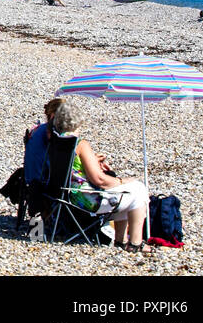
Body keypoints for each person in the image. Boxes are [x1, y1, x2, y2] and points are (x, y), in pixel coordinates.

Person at [51, 99, 151, 251]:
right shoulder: (79, 144)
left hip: (67, 196)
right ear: (78, 122)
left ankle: (121, 240)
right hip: (88, 200)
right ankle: (136, 243)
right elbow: (99, 179)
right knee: (139, 189)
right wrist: (121, 180)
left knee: (127, 194)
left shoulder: (56, 142)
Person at [23, 97, 64, 184]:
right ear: (53, 115)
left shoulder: (36, 129)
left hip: (29, 180)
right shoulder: (50, 132)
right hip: (43, 183)